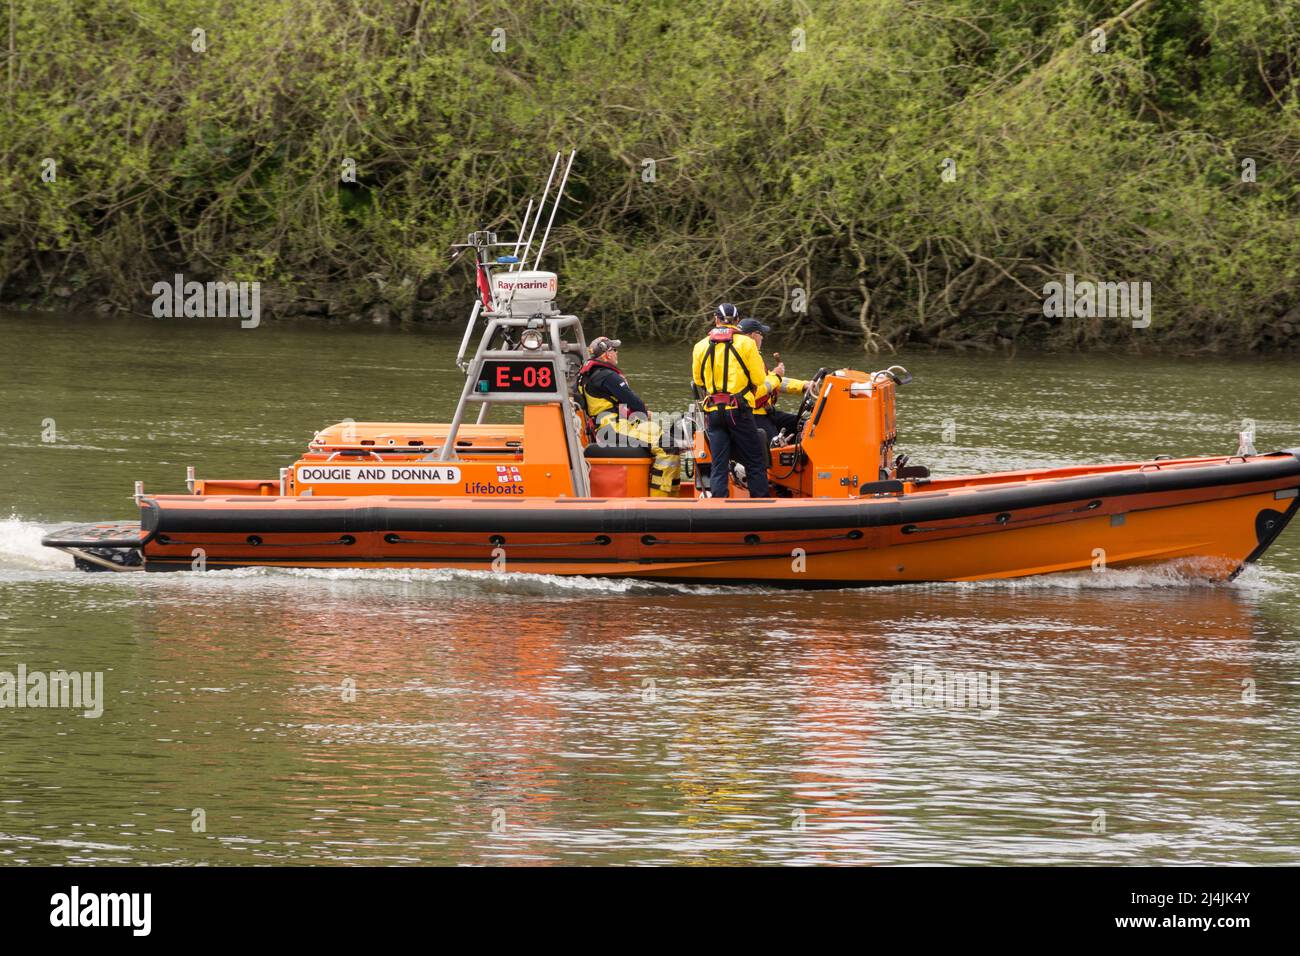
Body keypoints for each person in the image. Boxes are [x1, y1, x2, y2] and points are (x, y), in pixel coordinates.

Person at [690, 303, 782, 498]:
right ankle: (760, 504)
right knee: (755, 459)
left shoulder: (700, 346)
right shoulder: (746, 344)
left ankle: (718, 504)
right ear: (737, 321)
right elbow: (758, 380)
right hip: (738, 411)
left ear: (716, 320)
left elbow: (698, 380)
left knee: (719, 462)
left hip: (713, 411)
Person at [573, 336, 679, 496]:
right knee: (668, 447)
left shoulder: (588, 375)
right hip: (611, 429)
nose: (617, 353)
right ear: (606, 354)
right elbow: (633, 402)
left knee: (667, 438)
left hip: (612, 426)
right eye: (614, 350)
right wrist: (644, 413)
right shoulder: (607, 376)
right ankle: (661, 502)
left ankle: (664, 493)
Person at [738, 317, 809, 446]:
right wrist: (776, 376)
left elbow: (772, 379)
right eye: (760, 334)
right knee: (776, 449)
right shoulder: (744, 358)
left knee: (804, 425)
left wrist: (803, 386)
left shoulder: (751, 356)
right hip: (755, 415)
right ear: (753, 335)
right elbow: (760, 388)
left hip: (766, 411)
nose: (762, 338)